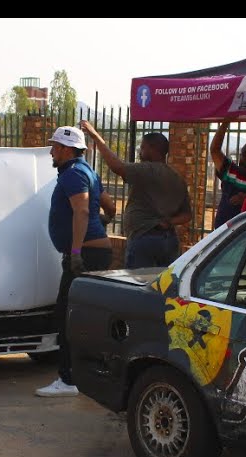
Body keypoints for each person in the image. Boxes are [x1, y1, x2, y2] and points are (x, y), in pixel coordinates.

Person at [35, 125, 114, 399]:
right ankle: (91, 375)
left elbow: (81, 210)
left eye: (55, 147)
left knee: (67, 316)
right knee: (85, 316)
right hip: (96, 252)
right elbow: (111, 207)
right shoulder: (87, 171)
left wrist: (77, 252)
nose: (51, 152)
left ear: (67, 150)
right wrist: (100, 223)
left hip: (86, 256)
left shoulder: (72, 174)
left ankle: (68, 379)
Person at [79, 120, 192, 269]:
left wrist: (95, 136)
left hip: (145, 241)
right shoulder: (177, 178)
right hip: (169, 241)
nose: (140, 152)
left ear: (153, 149)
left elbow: (117, 167)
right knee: (165, 287)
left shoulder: (148, 169)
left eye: (143, 147)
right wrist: (169, 222)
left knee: (136, 285)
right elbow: (187, 215)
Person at [208, 121, 246, 227]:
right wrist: (226, 122)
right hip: (223, 229)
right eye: (245, 154)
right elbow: (214, 150)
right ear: (240, 156)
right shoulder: (230, 170)